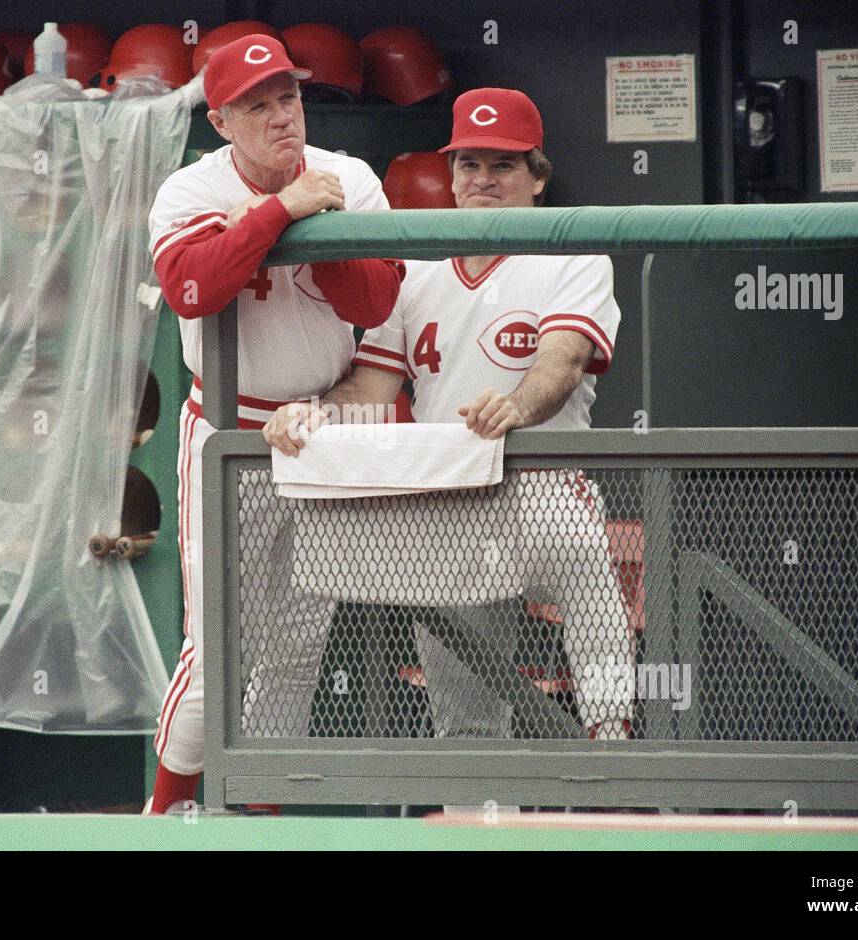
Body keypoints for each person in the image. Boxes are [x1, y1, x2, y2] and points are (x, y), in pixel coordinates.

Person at [263, 87, 634, 744]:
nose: (483, 179)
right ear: (451, 172)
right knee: (464, 725)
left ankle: (617, 747)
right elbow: (370, 389)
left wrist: (515, 406)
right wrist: (313, 416)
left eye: (504, 164)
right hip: (451, 496)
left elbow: (563, 361)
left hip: (542, 487)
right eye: (470, 163)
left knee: (586, 578)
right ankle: (480, 821)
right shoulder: (418, 275)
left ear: (538, 176)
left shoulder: (572, 253)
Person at [145, 34, 403, 813]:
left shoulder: (350, 177)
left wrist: (313, 222)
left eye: (287, 97)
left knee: (298, 647)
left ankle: (262, 817)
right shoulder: (187, 191)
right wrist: (279, 214)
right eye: (257, 106)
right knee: (219, 646)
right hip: (228, 430)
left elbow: (374, 306)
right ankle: (161, 813)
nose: (280, 116)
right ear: (221, 122)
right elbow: (194, 288)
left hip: (319, 427)